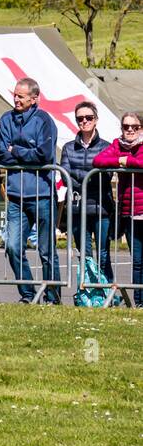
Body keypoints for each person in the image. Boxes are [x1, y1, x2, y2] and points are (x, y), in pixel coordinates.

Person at [0, 77, 61, 304]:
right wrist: (21, 154)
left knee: (46, 251)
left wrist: (16, 151)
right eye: (14, 94)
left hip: (42, 194)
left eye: (21, 96)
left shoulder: (44, 120)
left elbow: (44, 154)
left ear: (34, 99)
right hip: (15, 196)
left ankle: (53, 298)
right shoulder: (6, 119)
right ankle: (28, 293)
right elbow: (0, 153)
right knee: (13, 247)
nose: (16, 99)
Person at [61, 100, 114, 285]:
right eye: (80, 118)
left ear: (96, 120)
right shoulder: (68, 147)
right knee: (84, 253)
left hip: (101, 207)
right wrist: (91, 172)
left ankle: (107, 291)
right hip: (77, 208)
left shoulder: (107, 146)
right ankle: (87, 290)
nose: (84, 121)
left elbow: (105, 175)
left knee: (103, 254)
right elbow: (66, 173)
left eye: (88, 117)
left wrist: (83, 175)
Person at [93, 111, 143, 305]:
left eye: (135, 126)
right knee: (137, 261)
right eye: (126, 126)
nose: (130, 130)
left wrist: (126, 161)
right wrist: (120, 159)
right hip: (130, 212)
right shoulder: (117, 144)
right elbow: (98, 161)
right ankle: (139, 303)